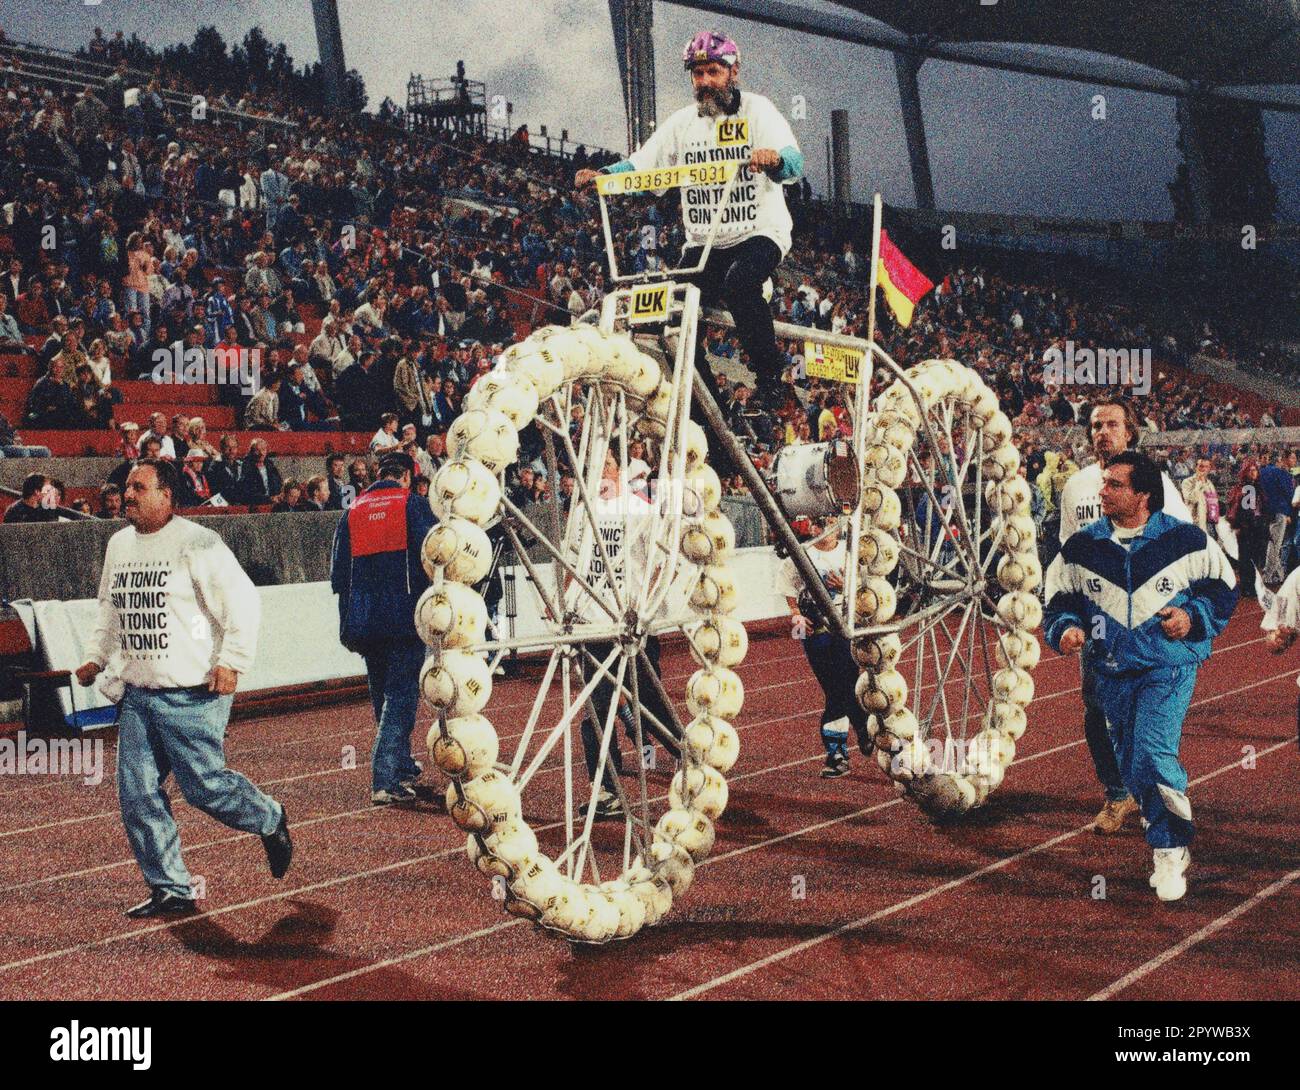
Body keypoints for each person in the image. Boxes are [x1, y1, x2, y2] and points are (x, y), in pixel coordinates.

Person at [75, 459, 292, 918]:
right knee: (137, 795)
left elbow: (243, 602)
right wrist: (97, 656)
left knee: (205, 788)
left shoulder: (199, 543)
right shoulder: (118, 544)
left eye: (138, 487)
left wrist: (232, 661)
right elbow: (109, 608)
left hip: (192, 695)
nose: (126, 494)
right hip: (138, 694)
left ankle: (269, 818)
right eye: (125, 487)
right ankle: (170, 886)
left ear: (168, 495)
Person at [575, 29, 803, 424]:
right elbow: (641, 165)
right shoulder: (682, 124)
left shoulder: (758, 111)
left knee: (741, 281)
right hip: (704, 242)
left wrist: (773, 159)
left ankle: (771, 378)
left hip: (758, 232)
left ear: (733, 72)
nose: (705, 82)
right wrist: (604, 176)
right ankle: (707, 407)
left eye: (713, 72)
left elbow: (794, 161)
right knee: (673, 313)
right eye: (698, 75)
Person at [1045, 452, 1237, 902]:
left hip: (1167, 666)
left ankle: (1171, 851)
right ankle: (1158, 816)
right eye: (1104, 482)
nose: (1102, 491)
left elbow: (1224, 587)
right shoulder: (1082, 547)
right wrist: (1066, 628)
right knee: (1133, 764)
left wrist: (1193, 617)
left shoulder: (1185, 541)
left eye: (1114, 485)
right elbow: (1058, 598)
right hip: (1110, 670)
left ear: (1143, 495)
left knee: (1152, 752)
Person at [1058, 399, 1192, 835]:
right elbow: (1068, 556)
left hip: (1149, 615)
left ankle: (1151, 788)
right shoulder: (1076, 486)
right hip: (1100, 617)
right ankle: (1117, 794)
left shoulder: (1160, 485)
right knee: (1097, 704)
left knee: (1145, 704)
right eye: (1096, 425)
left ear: (1130, 432)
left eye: (1112, 424)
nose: (1103, 432)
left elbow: (1185, 545)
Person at [570, 450, 679, 818]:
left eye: (608, 466)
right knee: (596, 712)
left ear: (620, 471)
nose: (602, 474)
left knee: (647, 703)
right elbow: (574, 562)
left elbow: (665, 566)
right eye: (595, 467)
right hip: (593, 623)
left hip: (631, 626)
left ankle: (685, 754)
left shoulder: (642, 512)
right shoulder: (583, 513)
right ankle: (605, 790)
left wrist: (643, 604)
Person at [329, 452, 437, 804]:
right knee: (401, 696)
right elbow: (430, 555)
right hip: (403, 615)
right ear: (406, 475)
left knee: (382, 695)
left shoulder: (354, 509)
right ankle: (385, 778)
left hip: (362, 618)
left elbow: (338, 574)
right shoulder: (413, 504)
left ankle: (401, 766)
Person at [779, 514, 870, 776]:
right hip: (813, 633)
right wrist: (795, 618)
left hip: (846, 629)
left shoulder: (851, 553)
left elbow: (869, 592)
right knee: (833, 689)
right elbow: (790, 594)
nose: (825, 530)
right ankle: (853, 736)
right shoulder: (799, 556)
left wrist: (849, 586)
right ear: (811, 527)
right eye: (819, 525)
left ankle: (839, 753)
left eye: (830, 523)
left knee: (845, 687)